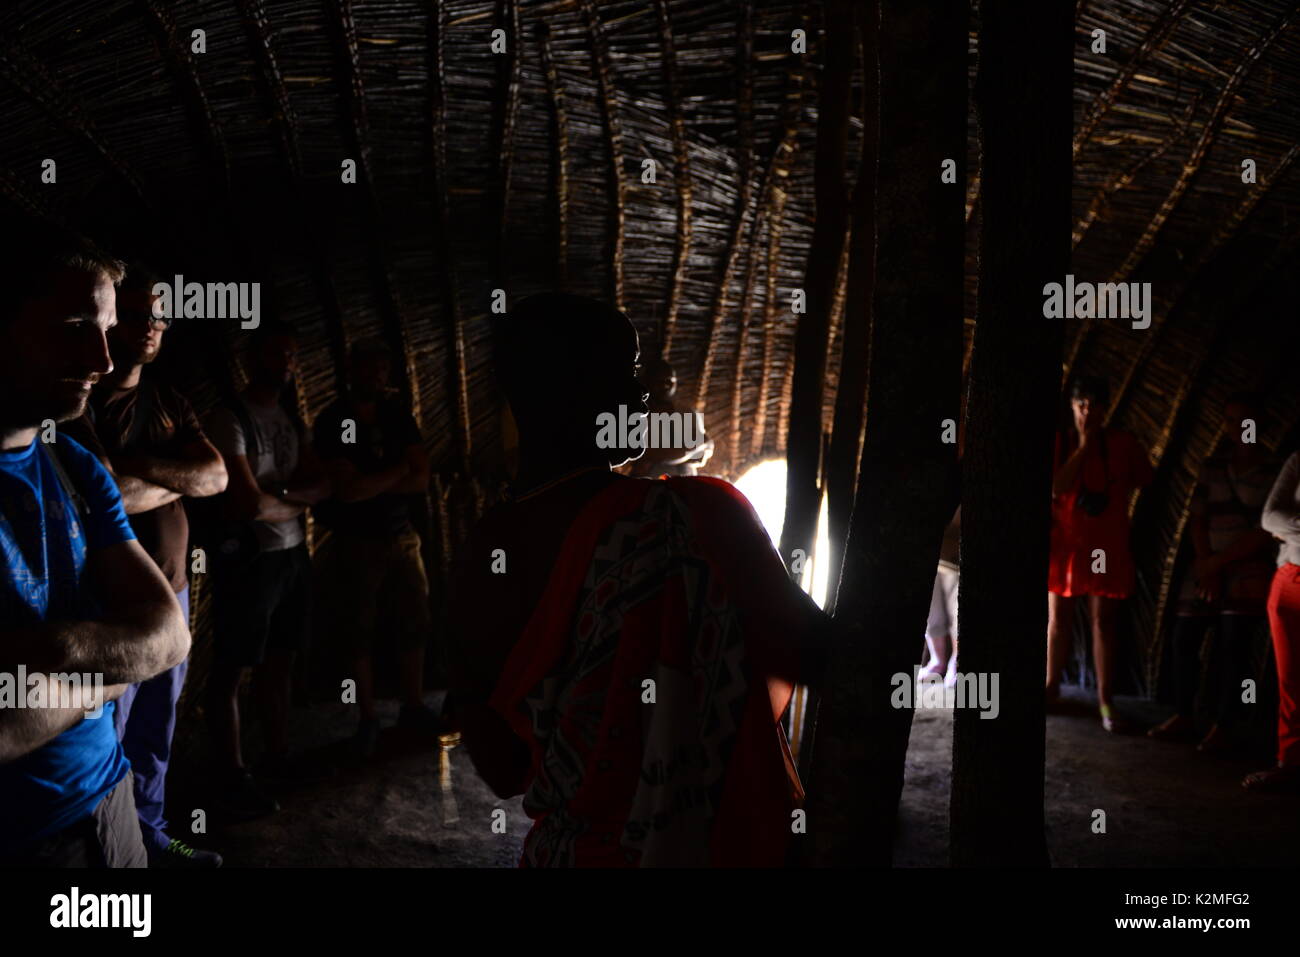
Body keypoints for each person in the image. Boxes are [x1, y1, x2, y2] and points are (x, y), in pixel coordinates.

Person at [448, 293, 829, 867]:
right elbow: (815, 656)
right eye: (627, 372)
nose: (644, 393)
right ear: (570, 390)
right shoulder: (692, 518)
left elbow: (502, 768)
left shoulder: (486, 547)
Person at [0, 232, 190, 866]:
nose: (103, 360)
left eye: (107, 329)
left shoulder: (74, 464)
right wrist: (110, 670)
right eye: (77, 327)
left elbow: (167, 637)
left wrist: (53, 652)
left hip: (109, 804)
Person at [61, 266, 228, 867]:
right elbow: (103, 494)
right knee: (110, 732)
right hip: (116, 605)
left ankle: (153, 834)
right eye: (134, 316)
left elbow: (216, 476)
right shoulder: (81, 400)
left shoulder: (168, 399)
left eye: (159, 315)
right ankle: (115, 846)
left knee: (156, 729)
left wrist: (138, 473)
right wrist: (166, 478)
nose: (151, 325)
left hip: (173, 594)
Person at [204, 319, 330, 819]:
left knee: (281, 661)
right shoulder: (228, 417)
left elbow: (320, 483)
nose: (288, 363)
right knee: (232, 669)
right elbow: (246, 505)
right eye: (278, 353)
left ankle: (277, 757)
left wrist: (282, 497)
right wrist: (296, 498)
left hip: (293, 555)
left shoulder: (291, 418)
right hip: (251, 560)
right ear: (254, 359)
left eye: (293, 355)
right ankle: (230, 776)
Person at [312, 336, 441, 759]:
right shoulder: (334, 421)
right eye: (368, 369)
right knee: (358, 629)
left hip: (401, 536)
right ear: (351, 372)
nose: (376, 377)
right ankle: (367, 717)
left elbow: (422, 478)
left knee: (415, 619)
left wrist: (376, 480)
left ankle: (414, 706)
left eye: (382, 371)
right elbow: (347, 493)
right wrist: (398, 470)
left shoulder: (397, 416)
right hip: (357, 540)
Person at [1148, 394, 1279, 754]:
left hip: (1247, 570)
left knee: (1233, 648)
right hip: (1206, 568)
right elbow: (1198, 519)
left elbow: (1266, 529)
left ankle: (1225, 725)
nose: (1239, 428)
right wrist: (1206, 563)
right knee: (1184, 638)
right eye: (1232, 420)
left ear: (1260, 425)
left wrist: (1215, 565)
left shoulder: (1274, 471)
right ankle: (1184, 715)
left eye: (1246, 420)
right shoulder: (1213, 466)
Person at [1046, 375, 1153, 732]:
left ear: (1106, 409)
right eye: (1081, 404)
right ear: (1072, 407)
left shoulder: (1123, 444)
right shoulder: (1061, 443)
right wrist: (1085, 446)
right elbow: (1057, 487)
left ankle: (1106, 701)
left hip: (1106, 547)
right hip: (1066, 548)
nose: (1086, 411)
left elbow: (1145, 478)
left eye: (1093, 405)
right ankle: (1051, 689)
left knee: (1104, 623)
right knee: (1058, 621)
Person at [1243, 448, 1300, 791]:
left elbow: (1283, 523)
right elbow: (1270, 517)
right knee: (1291, 681)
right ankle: (1289, 763)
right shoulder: (1298, 460)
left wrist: (1292, 529)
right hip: (1289, 582)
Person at [626, 356, 715, 477]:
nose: (666, 386)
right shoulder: (637, 415)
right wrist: (694, 449)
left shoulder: (685, 412)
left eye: (670, 381)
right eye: (660, 381)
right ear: (647, 381)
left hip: (686, 483)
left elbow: (704, 449)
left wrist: (699, 446)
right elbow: (650, 455)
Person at [919, 507, 960, 687]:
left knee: (957, 611)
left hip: (954, 554)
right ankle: (938, 660)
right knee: (931, 611)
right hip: (926, 548)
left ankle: (956, 663)